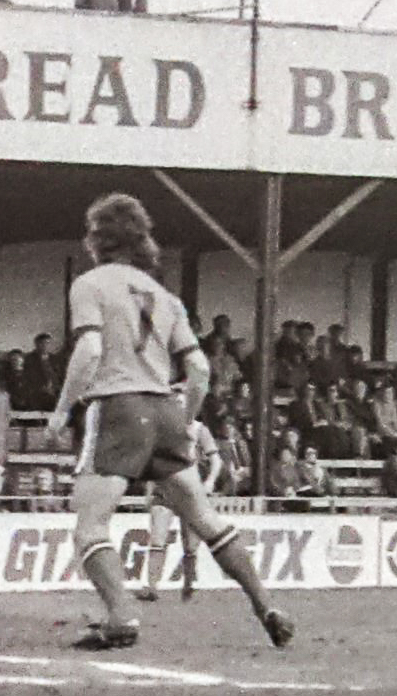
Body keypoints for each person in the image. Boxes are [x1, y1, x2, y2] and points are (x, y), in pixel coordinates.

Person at [48, 193, 293, 651]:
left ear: (96, 240)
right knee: (206, 519)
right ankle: (266, 606)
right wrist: (186, 420)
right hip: (166, 410)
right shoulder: (166, 298)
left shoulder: (91, 284)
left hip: (118, 406)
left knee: (90, 525)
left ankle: (121, 617)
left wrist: (63, 410)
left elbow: (91, 350)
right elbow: (198, 370)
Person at [136, 411, 221, 603]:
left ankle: (189, 583)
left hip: (189, 491)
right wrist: (149, 490)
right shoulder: (160, 427)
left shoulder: (199, 429)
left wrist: (210, 481)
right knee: (157, 538)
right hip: (164, 489)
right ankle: (152, 587)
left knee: (190, 544)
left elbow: (216, 460)